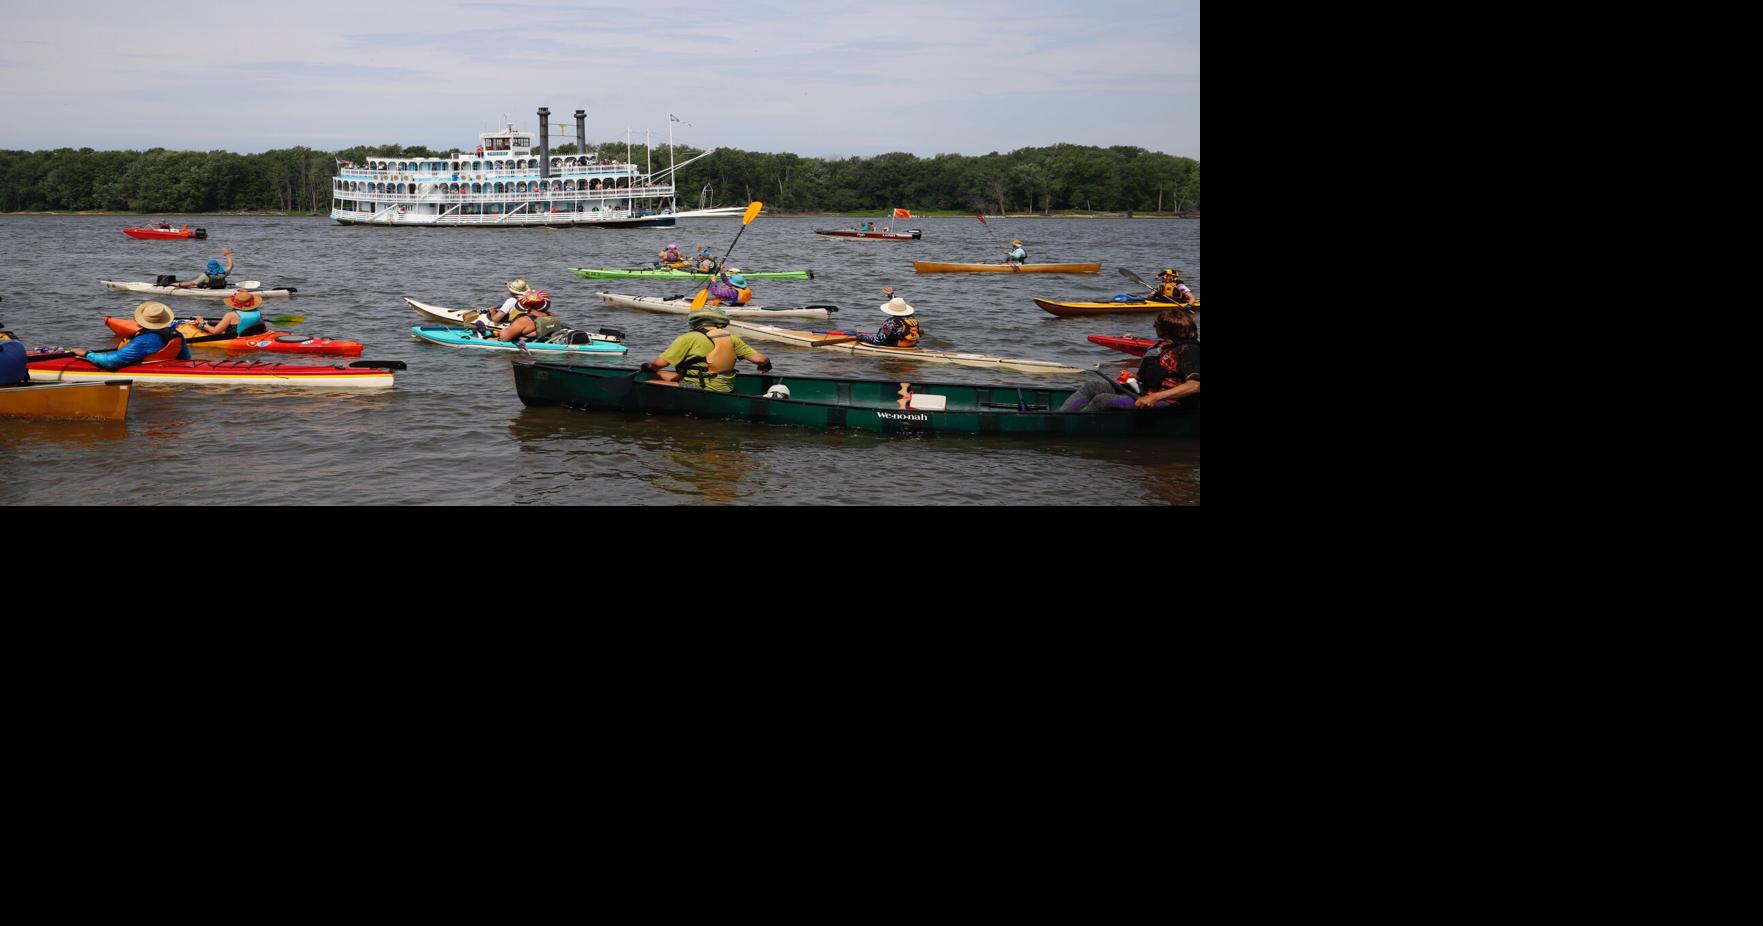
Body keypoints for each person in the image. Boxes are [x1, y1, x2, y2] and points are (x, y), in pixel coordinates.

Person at [1058, 309, 1199, 412]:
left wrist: (1155, 397)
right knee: (1092, 386)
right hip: (1146, 392)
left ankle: (1076, 426)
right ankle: (1061, 418)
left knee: (1103, 400)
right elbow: (1163, 373)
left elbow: (1195, 385)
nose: (1154, 327)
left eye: (1156, 324)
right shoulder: (1163, 347)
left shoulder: (1189, 350)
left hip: (1170, 403)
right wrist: (1135, 378)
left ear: (1167, 329)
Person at [639, 304, 770, 392]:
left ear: (696, 322)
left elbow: (659, 364)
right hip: (726, 387)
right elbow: (760, 359)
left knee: (649, 381)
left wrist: (647, 367)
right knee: (661, 375)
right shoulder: (732, 337)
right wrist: (765, 365)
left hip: (697, 386)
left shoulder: (688, 338)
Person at [71, 302, 191, 370]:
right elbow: (186, 358)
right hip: (167, 366)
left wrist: (87, 354)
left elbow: (112, 362)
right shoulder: (176, 333)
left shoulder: (144, 340)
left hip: (149, 370)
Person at [854, 288, 921, 347]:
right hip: (911, 345)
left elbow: (878, 341)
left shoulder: (891, 322)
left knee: (868, 337)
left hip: (896, 346)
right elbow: (898, 305)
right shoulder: (912, 319)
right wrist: (891, 295)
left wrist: (860, 336)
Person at [191, 289, 267, 337]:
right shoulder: (258, 312)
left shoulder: (231, 315)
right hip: (252, 337)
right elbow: (262, 326)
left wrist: (202, 322)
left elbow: (215, 332)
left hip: (236, 339)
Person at [493, 290, 559, 342]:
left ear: (526, 305)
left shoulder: (523, 321)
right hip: (544, 340)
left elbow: (504, 338)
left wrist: (503, 331)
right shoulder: (551, 315)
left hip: (526, 354)